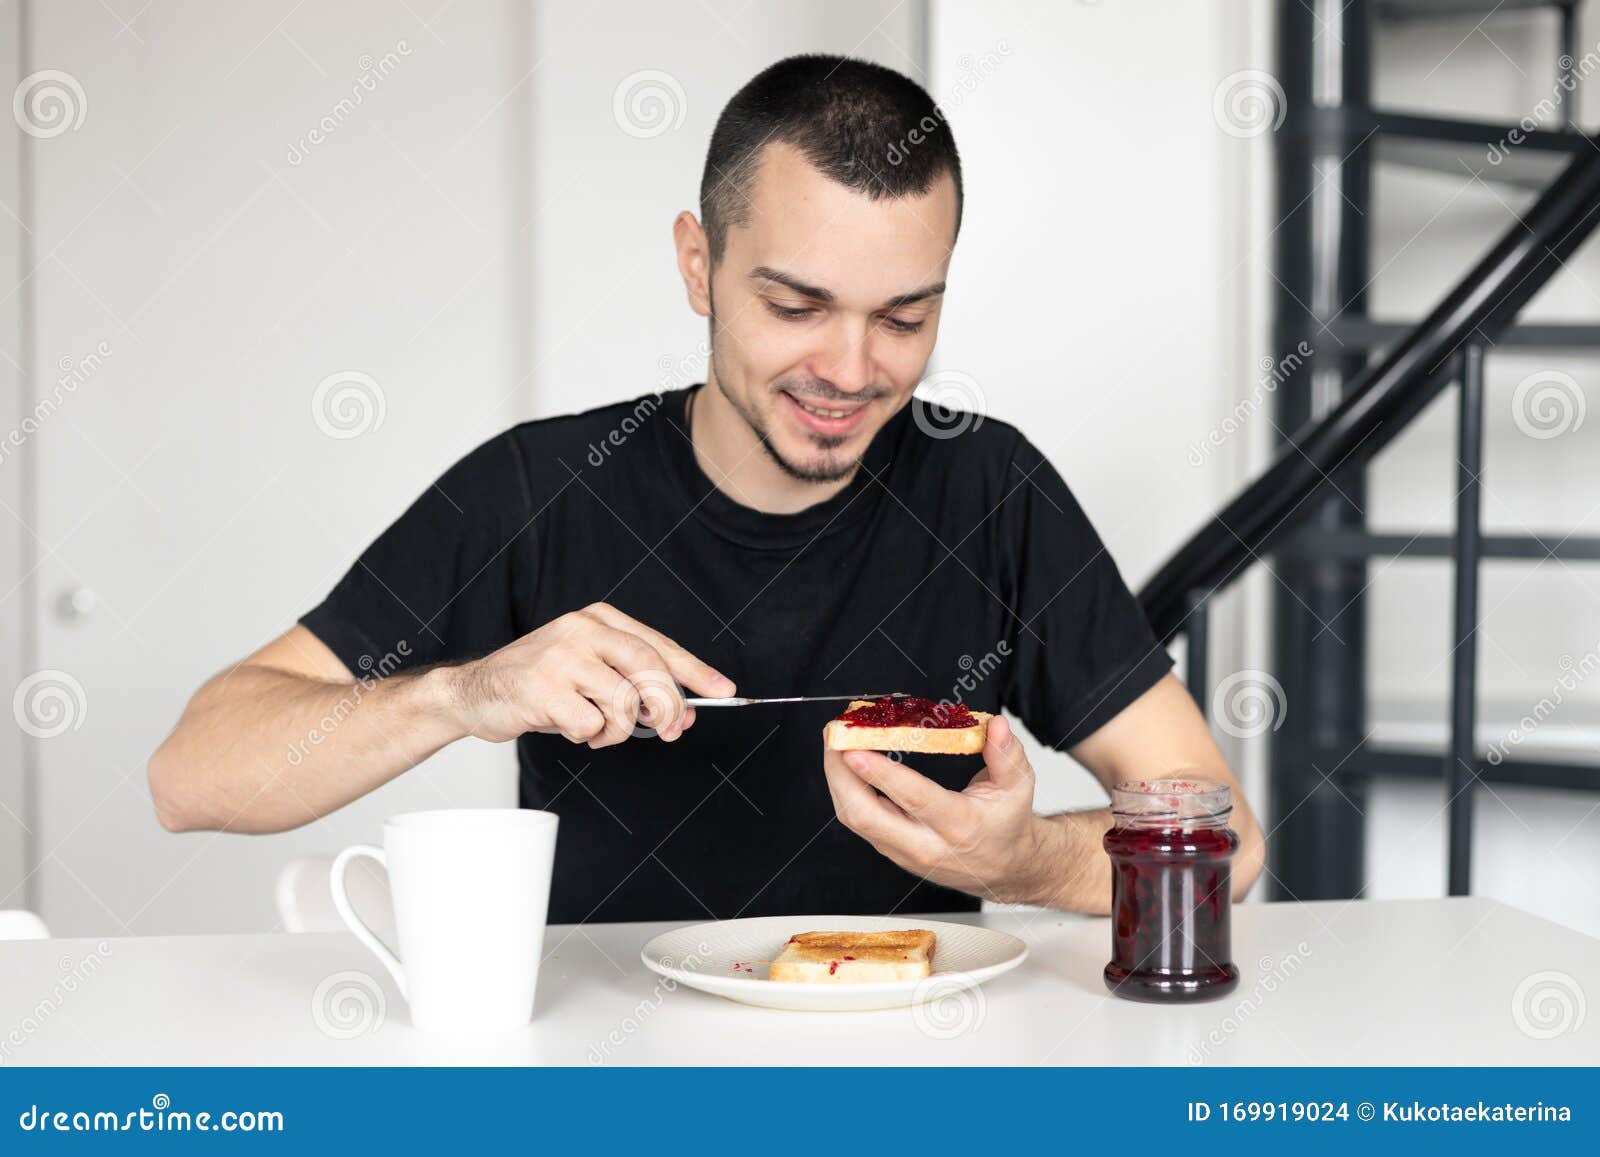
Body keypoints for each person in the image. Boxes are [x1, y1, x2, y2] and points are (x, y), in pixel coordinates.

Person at [149, 54, 1264, 924]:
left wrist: (1025, 860)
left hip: (909, 1065)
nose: (849, 368)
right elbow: (191, 773)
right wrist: (461, 694)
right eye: (795, 306)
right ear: (699, 265)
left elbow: (1231, 841)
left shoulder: (990, 487)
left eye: (904, 317)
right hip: (606, 1072)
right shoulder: (542, 488)